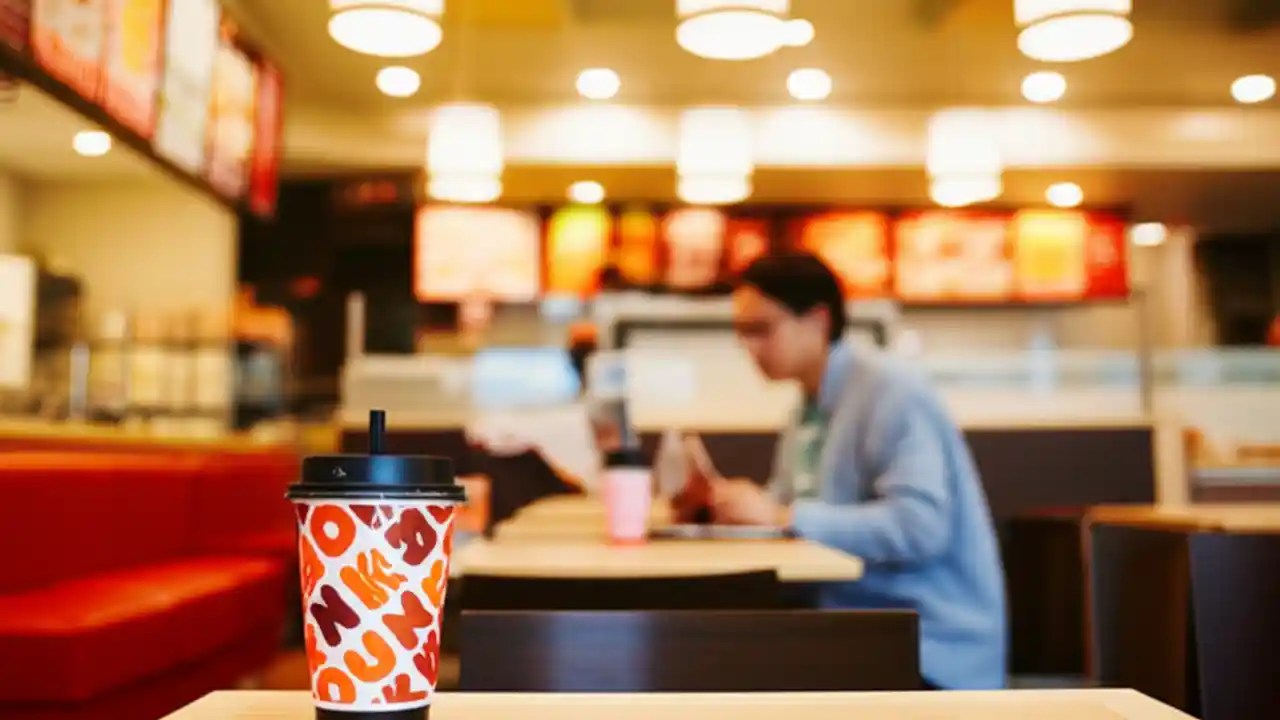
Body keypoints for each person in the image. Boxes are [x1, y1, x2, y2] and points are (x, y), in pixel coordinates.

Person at [707, 252, 1007, 690]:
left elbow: (920, 526)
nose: (749, 347)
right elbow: (791, 507)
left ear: (818, 320)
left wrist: (783, 517)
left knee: (729, 667)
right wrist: (738, 510)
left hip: (928, 646)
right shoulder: (807, 407)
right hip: (855, 626)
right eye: (741, 333)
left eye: (760, 329)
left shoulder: (891, 392)